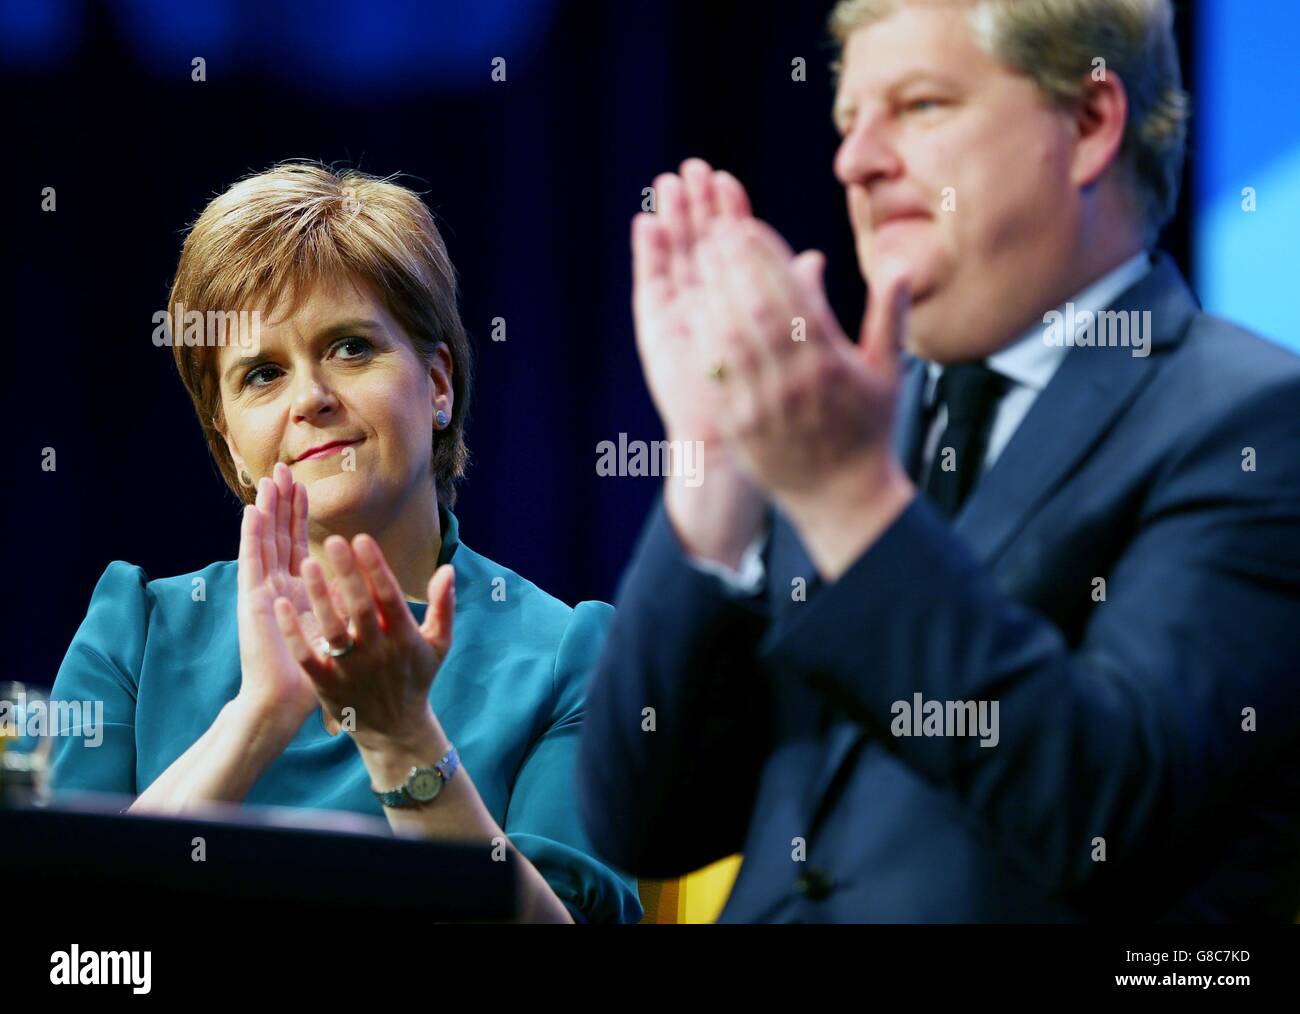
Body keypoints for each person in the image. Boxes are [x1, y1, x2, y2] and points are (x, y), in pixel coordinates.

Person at [579, 0, 1300, 921]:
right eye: (847, 120)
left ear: (1088, 124)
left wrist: (850, 501)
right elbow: (645, 826)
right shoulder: (841, 420)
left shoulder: (1253, 422)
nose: (855, 160)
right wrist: (716, 477)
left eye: (919, 106)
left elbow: (1108, 814)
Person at [49, 162, 641, 925]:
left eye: (352, 348)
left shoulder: (574, 656)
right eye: (262, 374)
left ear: (437, 385)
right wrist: (259, 715)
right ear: (229, 444)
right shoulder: (133, 636)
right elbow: (66, 943)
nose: (311, 398)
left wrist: (403, 739)